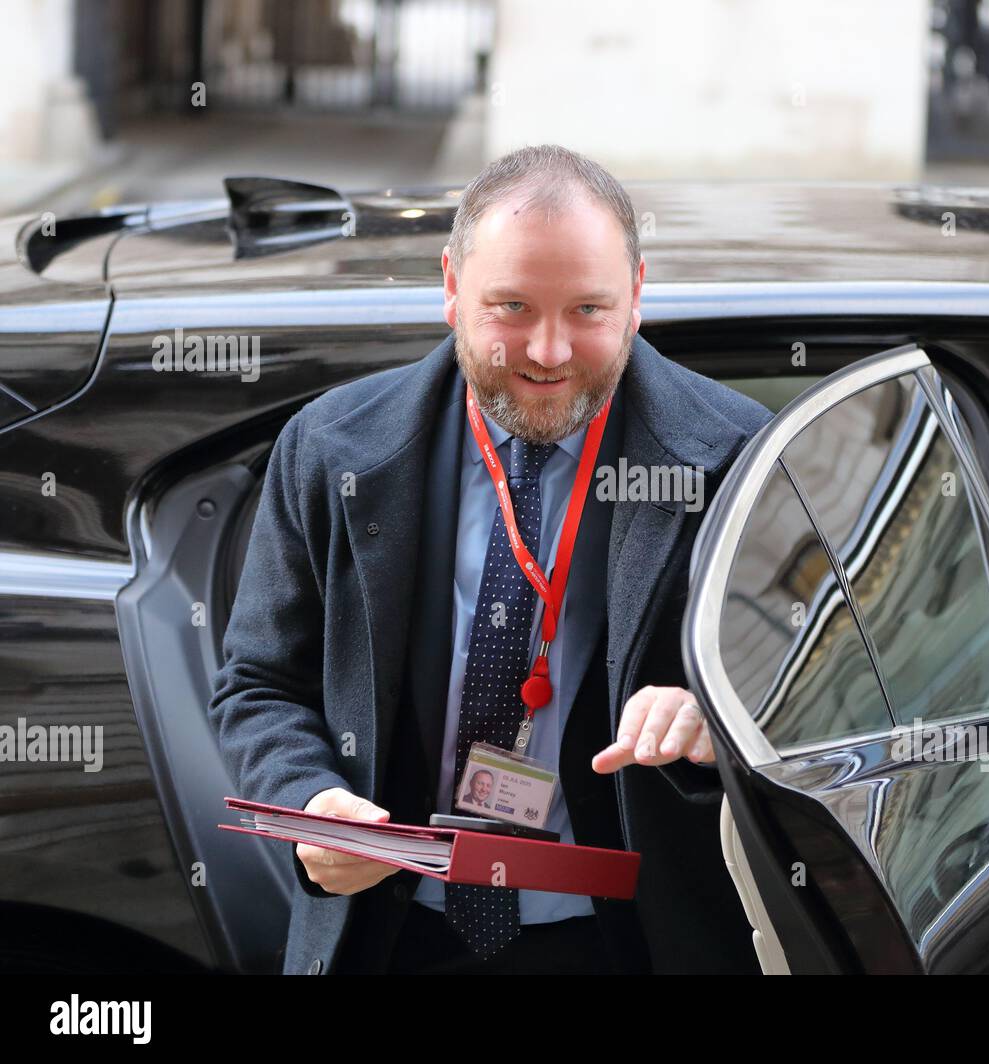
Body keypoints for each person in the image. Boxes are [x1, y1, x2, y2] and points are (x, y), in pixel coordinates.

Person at [208, 144, 772, 974]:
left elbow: (812, 692)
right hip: (390, 934)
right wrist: (312, 805)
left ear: (638, 295)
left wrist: (709, 712)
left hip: (636, 943)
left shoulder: (736, 455)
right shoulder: (330, 447)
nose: (548, 352)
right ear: (450, 287)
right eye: (511, 307)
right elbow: (259, 684)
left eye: (588, 310)